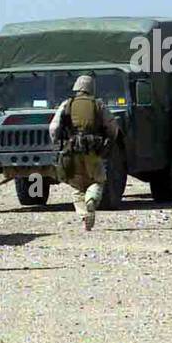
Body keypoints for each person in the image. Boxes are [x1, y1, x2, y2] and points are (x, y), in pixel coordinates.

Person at [49, 75, 120, 230]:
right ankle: (92, 200)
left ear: (76, 88)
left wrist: (58, 142)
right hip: (93, 150)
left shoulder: (67, 104)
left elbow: (53, 128)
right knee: (98, 180)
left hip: (71, 149)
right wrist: (109, 142)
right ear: (91, 88)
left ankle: (84, 215)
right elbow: (113, 127)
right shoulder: (98, 105)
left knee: (77, 187)